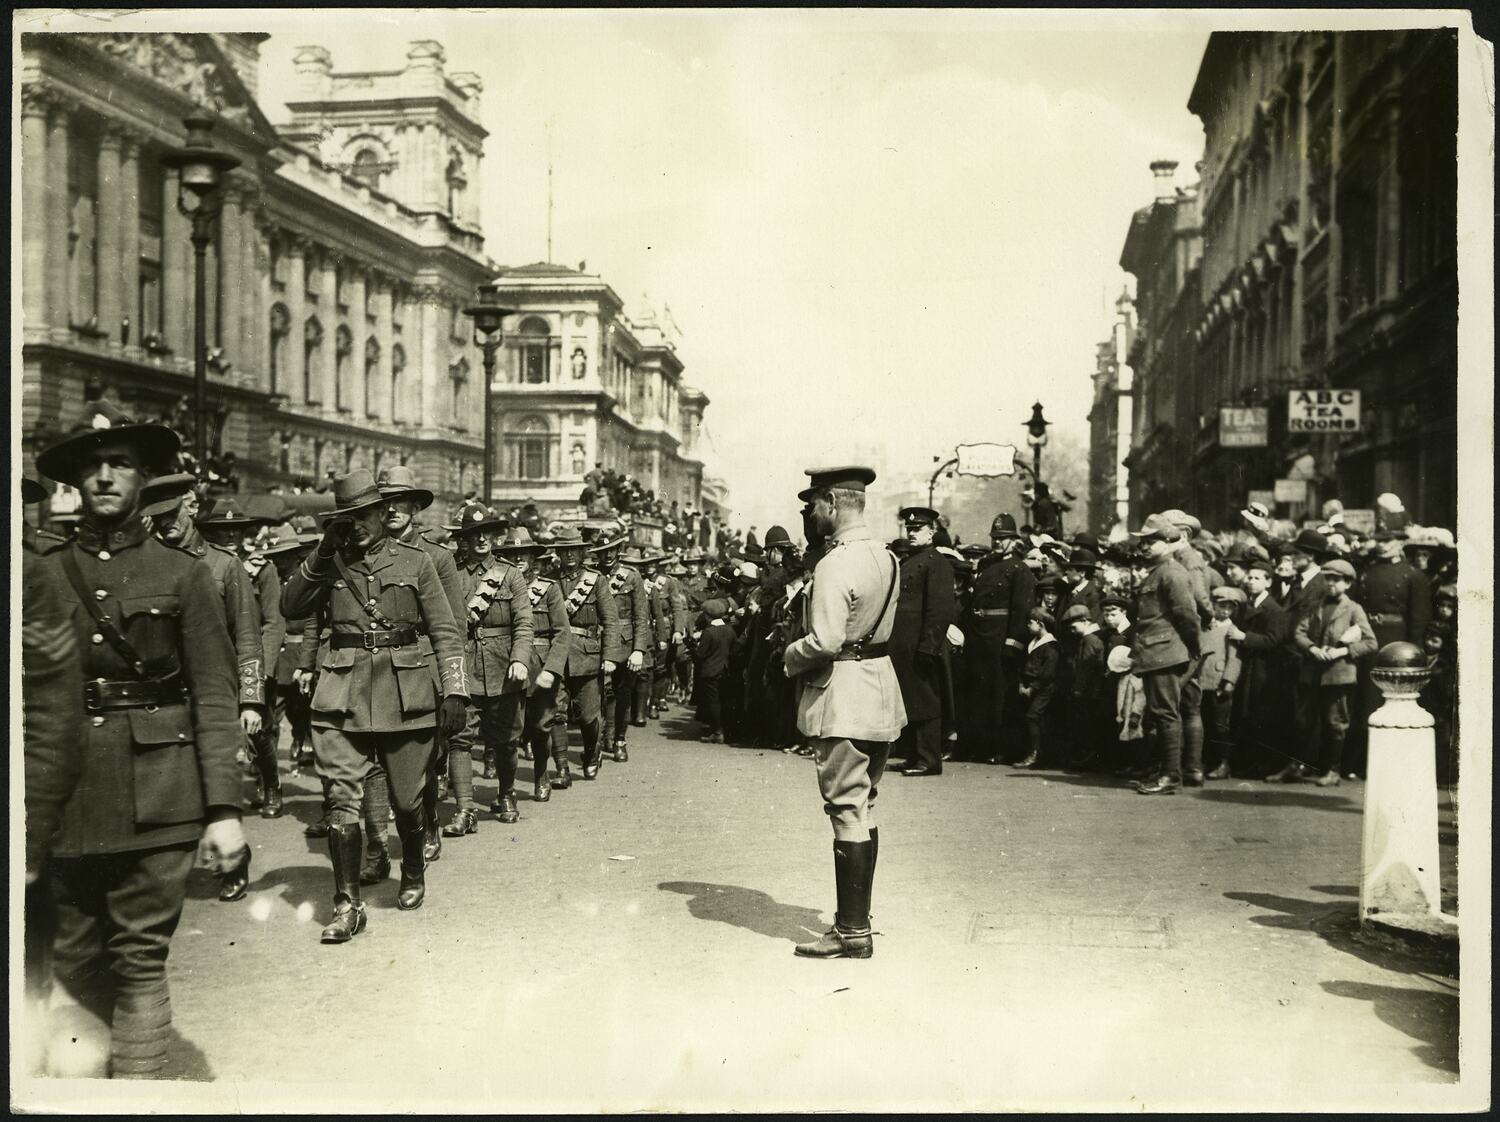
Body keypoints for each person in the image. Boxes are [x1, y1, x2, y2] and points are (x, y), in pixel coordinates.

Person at [33, 403, 246, 1078]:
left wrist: (224, 810)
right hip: (67, 795)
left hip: (161, 792)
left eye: (119, 463)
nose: (104, 477)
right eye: (91, 467)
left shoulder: (182, 575)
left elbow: (213, 692)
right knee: (72, 953)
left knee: (139, 956)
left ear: (143, 477)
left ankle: (138, 1091)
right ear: (72, 482)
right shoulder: (41, 574)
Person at [280, 470, 468, 942]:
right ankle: (347, 904)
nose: (357, 525)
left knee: (407, 800)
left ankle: (412, 868)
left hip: (406, 694)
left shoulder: (416, 561)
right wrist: (324, 549)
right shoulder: (330, 561)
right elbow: (291, 606)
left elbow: (445, 630)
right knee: (341, 801)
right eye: (346, 518)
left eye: (363, 515)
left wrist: (455, 691)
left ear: (382, 514)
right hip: (340, 695)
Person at [782, 466, 905, 960]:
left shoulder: (835, 564)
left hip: (843, 695)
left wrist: (789, 656)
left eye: (814, 504)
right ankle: (857, 920)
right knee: (864, 806)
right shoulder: (887, 556)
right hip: (880, 690)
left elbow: (826, 641)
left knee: (846, 810)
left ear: (832, 502)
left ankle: (851, 931)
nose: (811, 514)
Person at [140, 476, 267, 902]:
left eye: (172, 513)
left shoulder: (223, 565)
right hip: (164, 696)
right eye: (155, 517)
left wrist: (250, 700)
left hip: (215, 693)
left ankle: (235, 856)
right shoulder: (147, 561)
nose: (165, 523)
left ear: (191, 506)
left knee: (219, 777)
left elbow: (247, 636)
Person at [443, 501, 533, 832]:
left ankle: (507, 793)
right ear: (465, 538)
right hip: (464, 666)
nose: (482, 540)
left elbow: (524, 622)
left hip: (503, 668)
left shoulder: (510, 575)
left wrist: (520, 659)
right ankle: (465, 809)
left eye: (487, 533)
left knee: (507, 739)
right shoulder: (450, 574)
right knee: (460, 738)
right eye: (475, 533)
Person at [197, 498, 288, 821]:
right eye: (223, 531)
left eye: (236, 529)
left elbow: (273, 621)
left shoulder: (262, 568)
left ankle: (271, 784)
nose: (231, 536)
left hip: (254, 661)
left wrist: (261, 669)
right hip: (215, 663)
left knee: (259, 730)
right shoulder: (203, 566)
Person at [493, 526, 572, 803]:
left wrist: (552, 669)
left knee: (539, 728)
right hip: (506, 667)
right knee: (509, 732)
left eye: (523, 554)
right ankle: (508, 789)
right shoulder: (495, 588)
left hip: (540, 669)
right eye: (512, 554)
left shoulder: (548, 589)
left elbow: (563, 633)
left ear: (532, 557)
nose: (518, 559)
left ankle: (541, 773)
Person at [1128, 513, 1202, 795]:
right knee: (1162, 713)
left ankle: (1171, 776)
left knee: (1166, 714)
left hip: (1165, 652)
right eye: (1142, 543)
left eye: (1151, 541)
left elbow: (1188, 615)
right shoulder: (1158, 572)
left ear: (1170, 542)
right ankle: (1165, 772)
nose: (1144, 547)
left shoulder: (1172, 573)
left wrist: (1193, 648)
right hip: (1156, 652)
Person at [1290, 559, 1377, 787]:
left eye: (1336, 580)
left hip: (1339, 675)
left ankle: (1333, 770)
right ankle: (1299, 765)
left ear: (1347, 583)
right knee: (1304, 720)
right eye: (1327, 578)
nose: (1330, 583)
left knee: (1335, 722)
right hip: (1313, 672)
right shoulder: (1316, 604)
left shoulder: (1354, 609)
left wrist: (1341, 652)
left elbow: (1370, 642)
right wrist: (1312, 648)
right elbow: (1299, 632)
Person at [549, 526, 622, 783]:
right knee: (555, 713)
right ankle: (561, 769)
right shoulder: (549, 580)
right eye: (565, 550)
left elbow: (611, 621)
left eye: (574, 550)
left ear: (582, 553)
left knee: (589, 715)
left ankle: (592, 752)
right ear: (558, 553)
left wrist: (610, 656)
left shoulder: (596, 580)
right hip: (554, 655)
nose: (569, 555)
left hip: (587, 656)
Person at [890, 506, 957, 777]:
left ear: (932, 532)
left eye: (917, 529)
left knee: (926, 701)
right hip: (904, 646)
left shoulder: (937, 563)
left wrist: (928, 646)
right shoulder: (909, 562)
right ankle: (915, 755)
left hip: (922, 645)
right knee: (911, 701)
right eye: (909, 529)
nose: (912, 533)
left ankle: (929, 759)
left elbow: (939, 610)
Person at [963, 513, 1036, 764]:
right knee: (979, 694)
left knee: (1001, 696)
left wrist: (1012, 643)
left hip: (1000, 638)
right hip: (979, 637)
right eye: (995, 538)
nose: (997, 542)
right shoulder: (985, 566)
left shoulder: (1020, 570)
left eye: (1003, 538)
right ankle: (981, 745)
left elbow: (1021, 610)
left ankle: (1003, 747)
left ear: (1013, 540)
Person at [596, 530, 650, 763]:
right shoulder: (592, 575)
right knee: (597, 695)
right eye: (603, 551)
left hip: (624, 643)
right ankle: (600, 738)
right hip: (596, 642)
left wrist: (639, 649)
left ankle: (619, 739)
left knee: (621, 694)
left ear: (618, 550)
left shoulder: (631, 576)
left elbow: (641, 616)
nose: (608, 555)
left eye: (612, 550)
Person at [1061, 603, 1109, 770]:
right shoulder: (1094, 638)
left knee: (1086, 725)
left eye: (1074, 627)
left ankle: (1088, 758)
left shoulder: (1089, 640)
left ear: (1085, 621)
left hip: (1088, 691)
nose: (1071, 631)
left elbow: (1085, 668)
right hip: (1091, 690)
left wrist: (1078, 689)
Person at [1015, 608, 1060, 768]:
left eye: (1031, 622)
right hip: (1030, 687)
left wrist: (1032, 687)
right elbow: (1023, 665)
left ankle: (1036, 754)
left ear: (1040, 624)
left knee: (1033, 717)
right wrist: (1021, 683)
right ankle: (1034, 752)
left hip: (1043, 689)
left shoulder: (1051, 646)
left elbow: (1048, 673)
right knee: (1032, 719)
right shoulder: (1032, 642)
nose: (1028, 625)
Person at [694, 598, 734, 742]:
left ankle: (717, 732)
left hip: (710, 671)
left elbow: (700, 654)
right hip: (725, 670)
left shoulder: (709, 632)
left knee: (712, 702)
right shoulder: (730, 630)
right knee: (722, 701)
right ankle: (723, 730)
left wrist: (693, 648)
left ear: (707, 616)